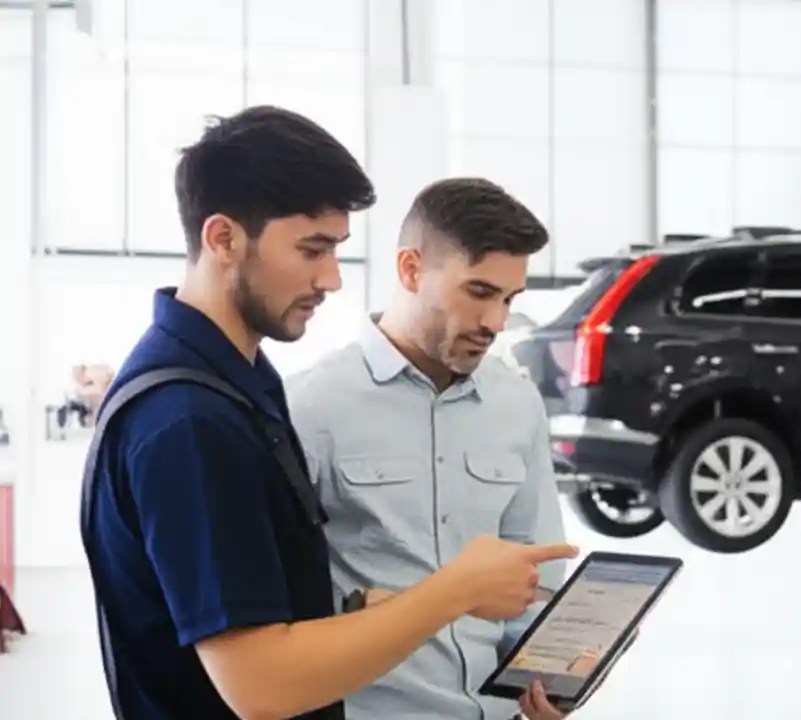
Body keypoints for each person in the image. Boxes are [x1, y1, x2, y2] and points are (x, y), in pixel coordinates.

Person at [79, 107, 577, 720]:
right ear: (223, 238)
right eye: (312, 250)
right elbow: (261, 685)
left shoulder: (241, 392)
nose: (332, 279)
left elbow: (268, 599)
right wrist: (455, 590)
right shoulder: (189, 419)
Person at [286, 178, 572, 720]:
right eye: (480, 292)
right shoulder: (308, 407)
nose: (496, 323)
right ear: (411, 269)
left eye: (510, 299)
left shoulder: (517, 404)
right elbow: (281, 609)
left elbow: (535, 579)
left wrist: (552, 681)